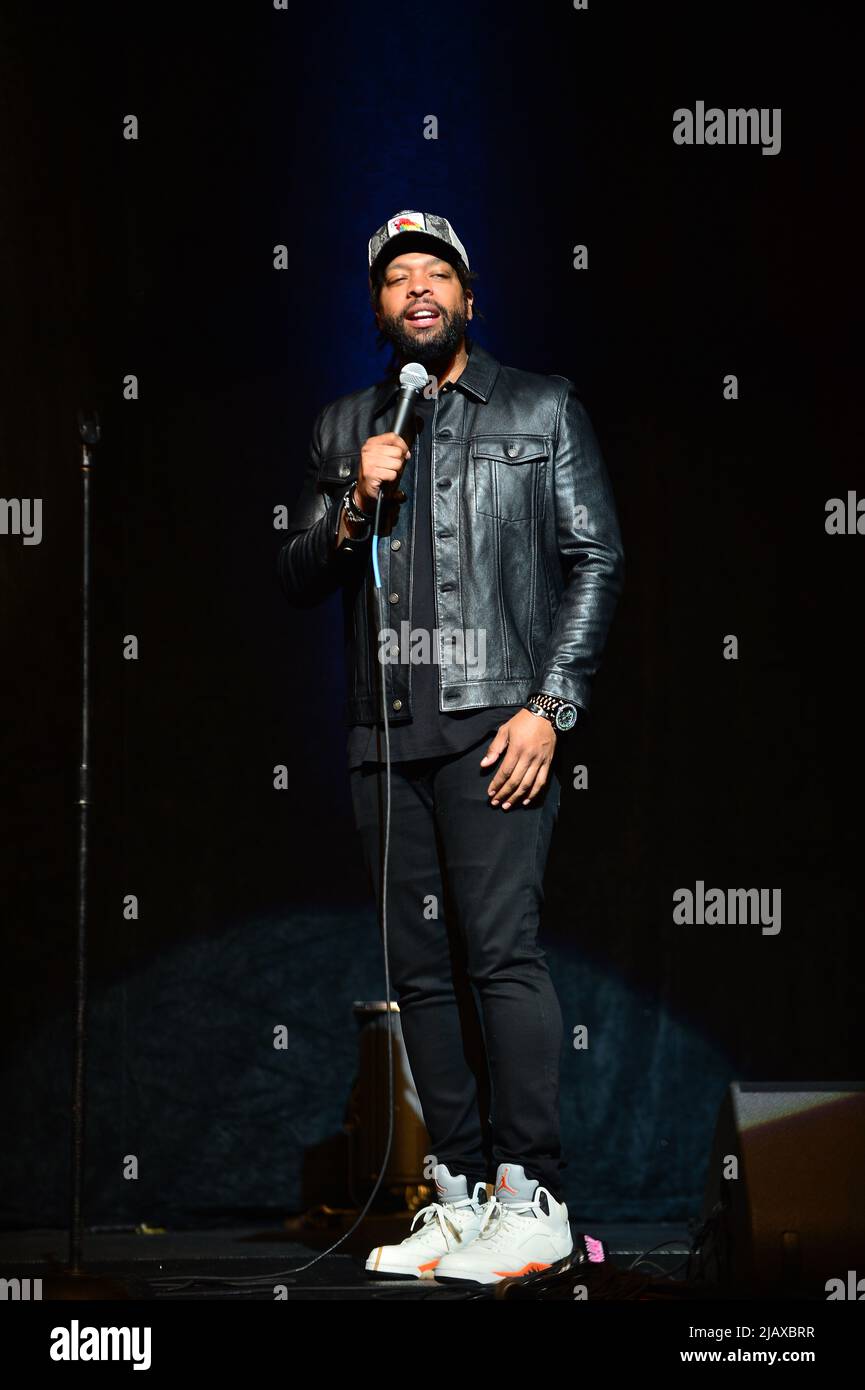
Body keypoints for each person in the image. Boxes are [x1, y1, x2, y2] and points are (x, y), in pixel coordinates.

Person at [278, 209, 624, 1284]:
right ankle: (463, 1197)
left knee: (499, 956)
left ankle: (535, 1197)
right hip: (385, 738)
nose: (417, 290)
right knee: (420, 977)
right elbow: (296, 571)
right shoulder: (347, 427)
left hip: (494, 731)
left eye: (437, 274)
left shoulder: (540, 405)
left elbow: (596, 558)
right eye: (396, 280)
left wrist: (548, 708)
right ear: (378, 309)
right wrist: (350, 504)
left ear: (469, 298)